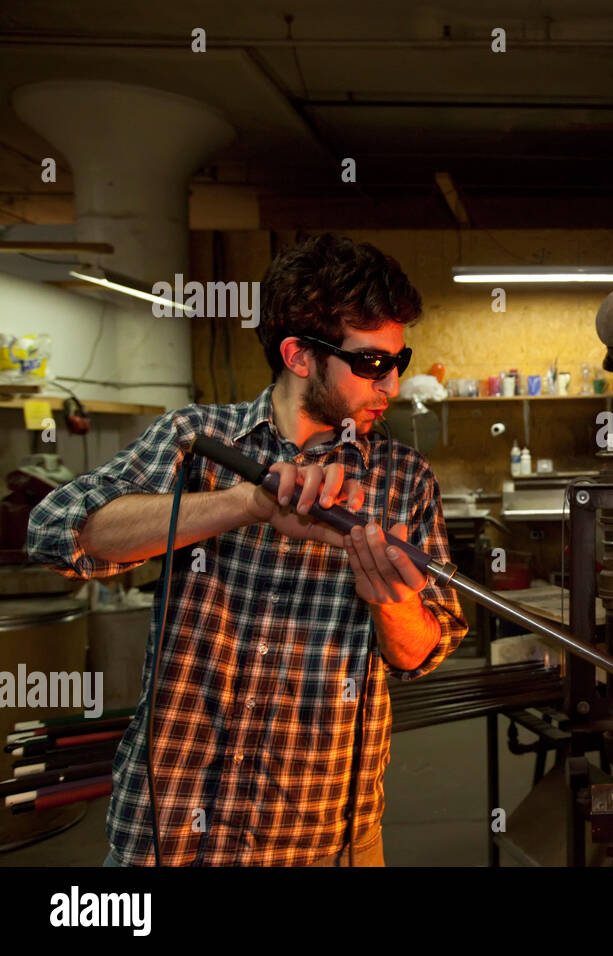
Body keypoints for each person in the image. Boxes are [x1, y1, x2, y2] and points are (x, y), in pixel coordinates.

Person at [27, 233, 467, 866]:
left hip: (318, 835)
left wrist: (390, 604)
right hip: (170, 827)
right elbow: (56, 531)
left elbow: (422, 653)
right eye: (371, 363)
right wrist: (244, 505)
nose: (391, 385)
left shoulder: (404, 479)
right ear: (298, 355)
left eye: (399, 361)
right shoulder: (196, 440)